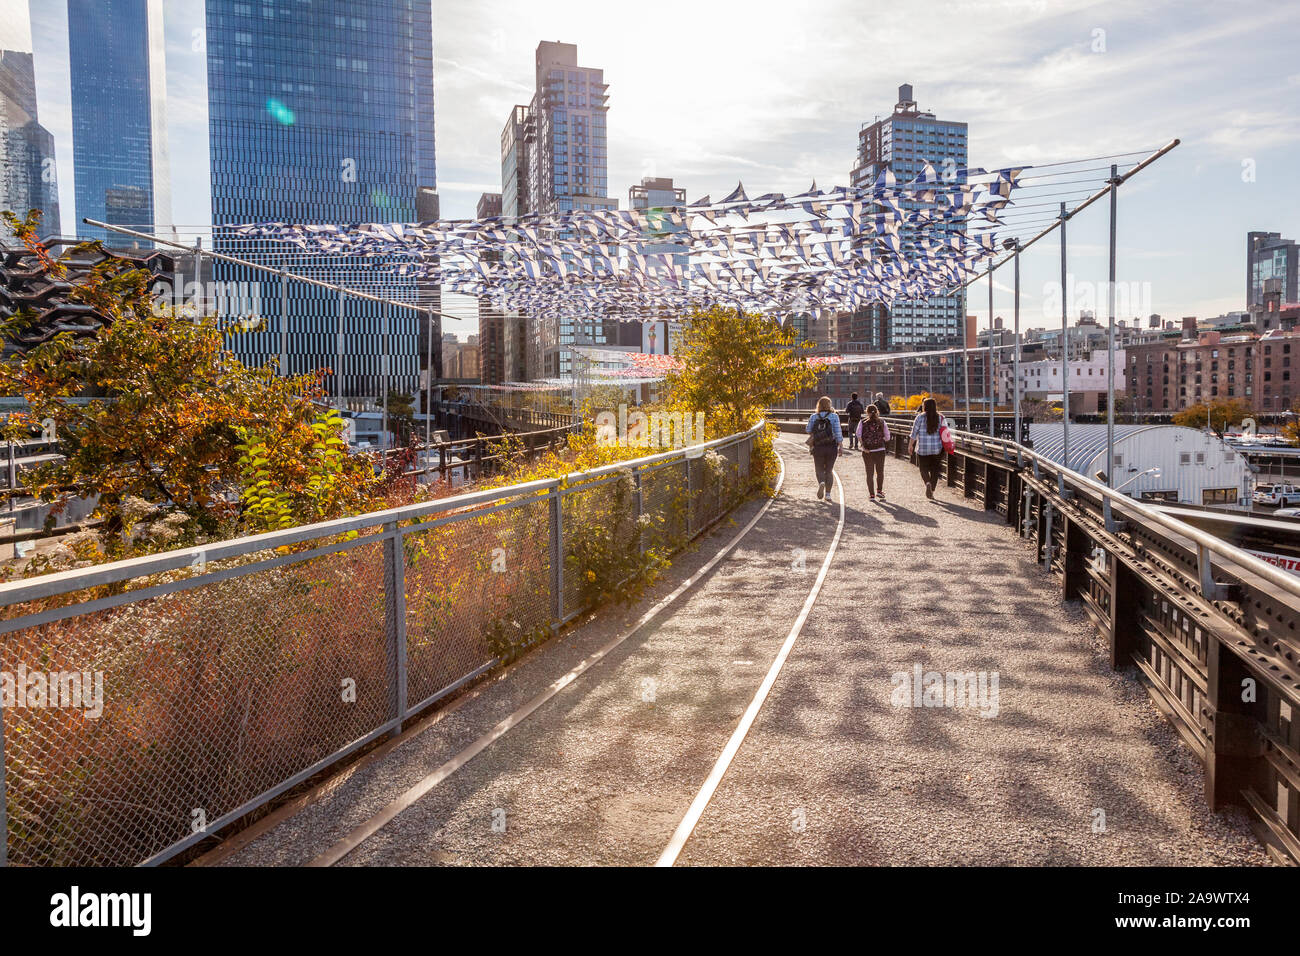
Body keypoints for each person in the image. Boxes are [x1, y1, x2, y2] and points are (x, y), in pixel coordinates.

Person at [908, 397, 946, 500]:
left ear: (924, 406)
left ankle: (927, 483)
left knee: (923, 469)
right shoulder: (941, 417)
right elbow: (945, 433)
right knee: (935, 470)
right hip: (936, 449)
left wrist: (910, 445)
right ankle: (932, 490)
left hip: (923, 449)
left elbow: (914, 433)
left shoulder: (920, 417)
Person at [805, 396, 842, 501]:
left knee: (819, 469)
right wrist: (840, 445)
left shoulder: (813, 416)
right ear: (829, 405)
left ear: (819, 405)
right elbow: (838, 431)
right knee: (829, 471)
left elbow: (808, 429)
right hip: (831, 446)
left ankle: (821, 482)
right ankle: (828, 494)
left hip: (818, 446)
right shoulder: (834, 416)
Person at [857, 404, 891, 501]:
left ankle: (871, 495)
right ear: (877, 412)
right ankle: (879, 491)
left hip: (867, 451)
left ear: (866, 412)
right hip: (880, 450)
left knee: (869, 473)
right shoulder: (882, 422)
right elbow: (888, 437)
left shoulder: (862, 422)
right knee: (880, 472)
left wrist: (863, 445)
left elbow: (858, 434)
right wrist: (882, 439)